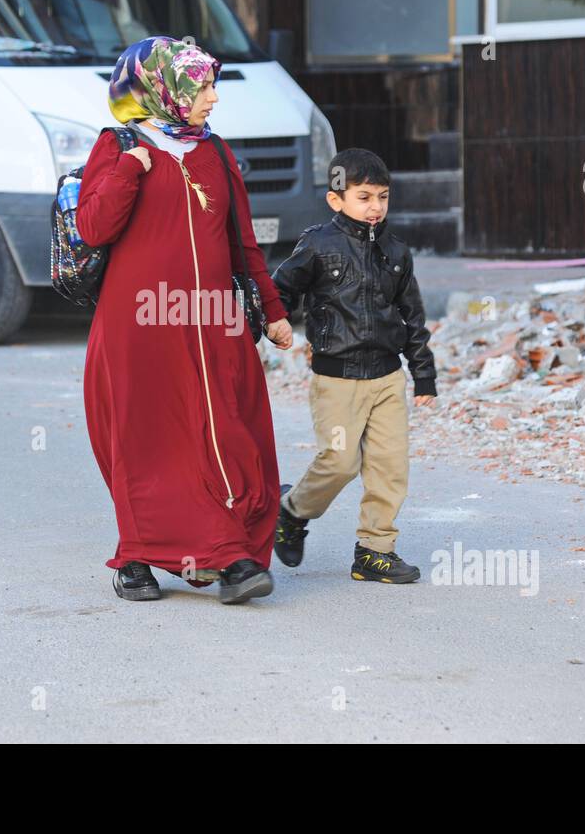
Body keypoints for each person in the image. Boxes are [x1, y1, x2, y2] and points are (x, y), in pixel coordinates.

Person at [76, 36, 293, 605]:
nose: (213, 98)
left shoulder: (216, 153)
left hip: (214, 323)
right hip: (139, 328)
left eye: (210, 85)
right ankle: (147, 557)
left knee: (228, 434)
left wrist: (272, 310)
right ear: (162, 89)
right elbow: (93, 228)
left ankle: (224, 550)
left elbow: (243, 244)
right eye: (201, 87)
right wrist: (128, 169)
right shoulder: (120, 145)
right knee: (148, 442)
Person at [269, 147, 437, 583]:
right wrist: (275, 321)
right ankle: (290, 512)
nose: (375, 207)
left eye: (383, 196)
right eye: (364, 196)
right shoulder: (318, 245)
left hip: (386, 379)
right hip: (337, 381)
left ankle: (374, 551)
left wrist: (424, 375)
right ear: (336, 199)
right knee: (340, 462)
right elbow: (280, 289)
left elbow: (413, 316)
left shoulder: (397, 252)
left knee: (389, 466)